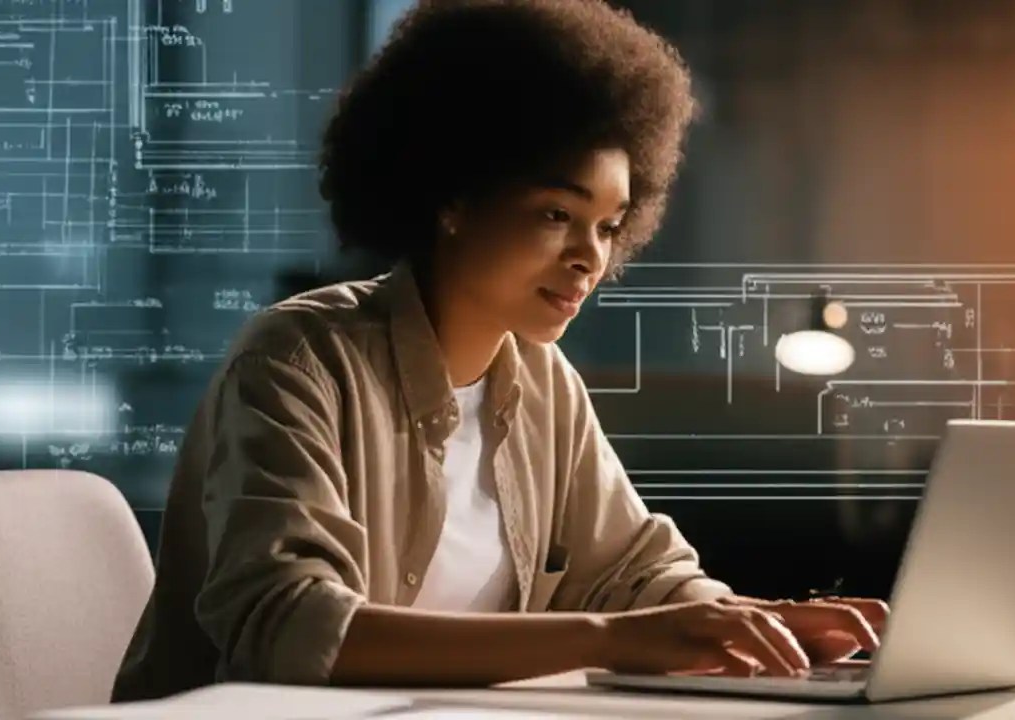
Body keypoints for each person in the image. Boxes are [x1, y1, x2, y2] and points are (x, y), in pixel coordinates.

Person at [112, 0, 886, 701]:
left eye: (610, 226)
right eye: (557, 213)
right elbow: (288, 627)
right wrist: (612, 640)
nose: (592, 257)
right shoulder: (297, 359)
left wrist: (755, 622)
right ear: (454, 195)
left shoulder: (544, 384)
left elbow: (637, 573)